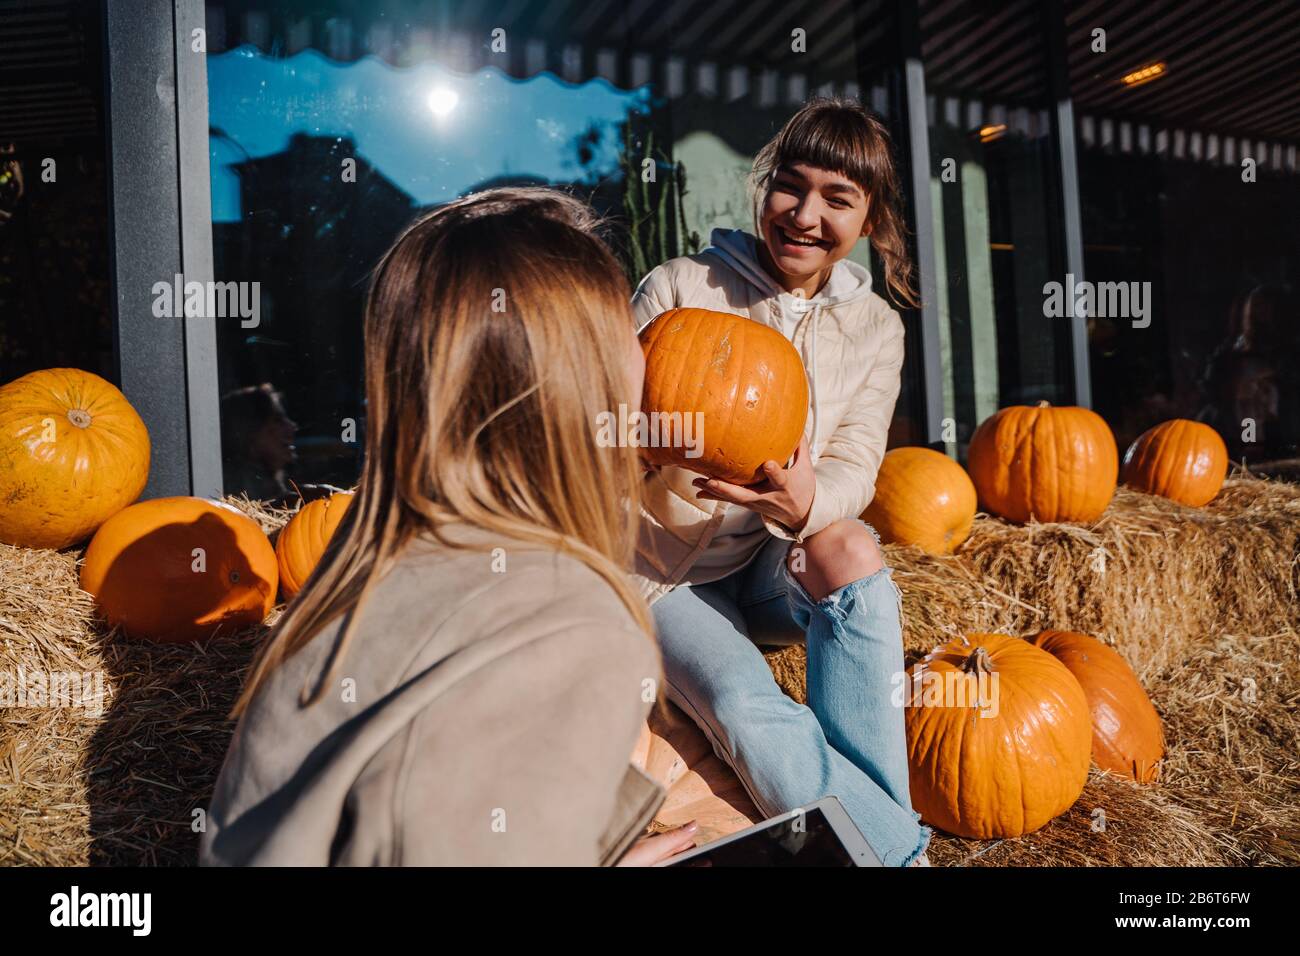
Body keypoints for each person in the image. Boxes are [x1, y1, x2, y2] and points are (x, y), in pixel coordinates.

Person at [201, 188, 695, 866]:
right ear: (583, 384)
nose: (649, 357)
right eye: (626, 333)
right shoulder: (573, 627)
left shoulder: (357, 576)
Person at [630, 97, 931, 867]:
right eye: (790, 186)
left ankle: (873, 839)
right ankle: (896, 854)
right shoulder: (677, 288)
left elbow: (857, 463)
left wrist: (806, 507)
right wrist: (640, 448)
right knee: (742, 703)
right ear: (765, 187)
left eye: (838, 198)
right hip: (663, 575)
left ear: (869, 217)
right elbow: (597, 433)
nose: (803, 214)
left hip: (769, 560)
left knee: (851, 548)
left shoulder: (875, 328)